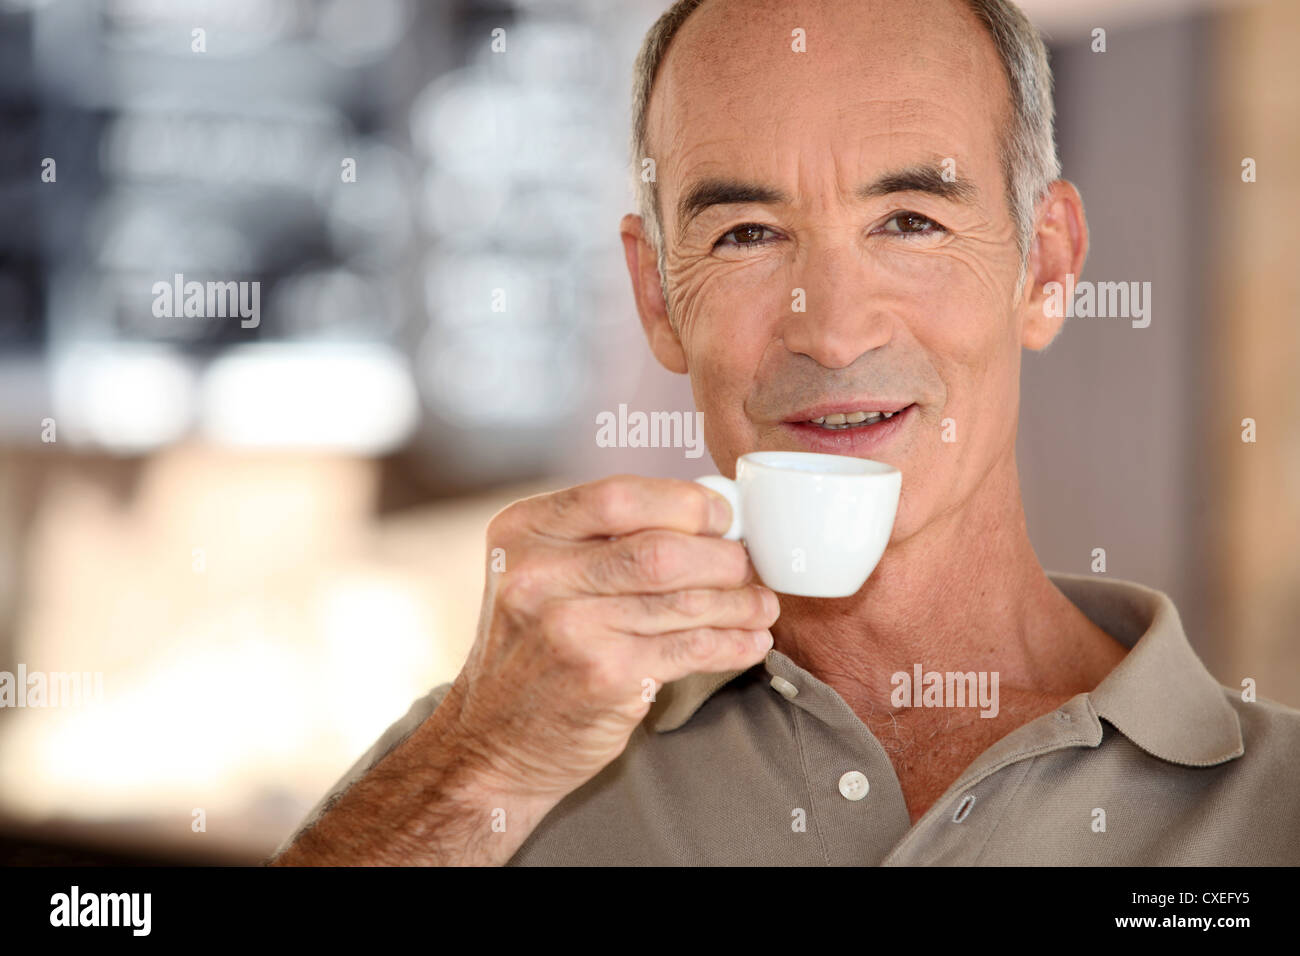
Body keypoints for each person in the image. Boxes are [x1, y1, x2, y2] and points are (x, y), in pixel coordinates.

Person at [270, 0, 1300, 865]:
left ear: (1045, 266)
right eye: (748, 234)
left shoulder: (1273, 809)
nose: (834, 330)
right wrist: (482, 764)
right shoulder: (503, 753)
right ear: (658, 297)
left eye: (909, 220)